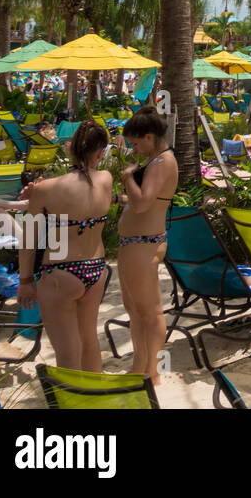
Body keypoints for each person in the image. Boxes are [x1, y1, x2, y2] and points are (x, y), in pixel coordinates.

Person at [17, 120, 114, 373]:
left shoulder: (46, 189)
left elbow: (29, 240)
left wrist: (25, 280)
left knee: (68, 353)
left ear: (69, 148)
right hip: (96, 269)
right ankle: (94, 400)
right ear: (100, 152)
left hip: (61, 272)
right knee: (89, 343)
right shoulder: (106, 179)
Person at [116, 106, 179, 384]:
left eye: (136, 143)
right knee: (136, 311)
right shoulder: (157, 161)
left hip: (143, 243)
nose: (135, 149)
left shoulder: (161, 162)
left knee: (149, 312)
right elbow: (146, 201)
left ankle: (152, 374)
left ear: (150, 136)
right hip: (137, 243)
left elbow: (142, 203)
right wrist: (121, 198)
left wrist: (129, 177)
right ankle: (140, 367)